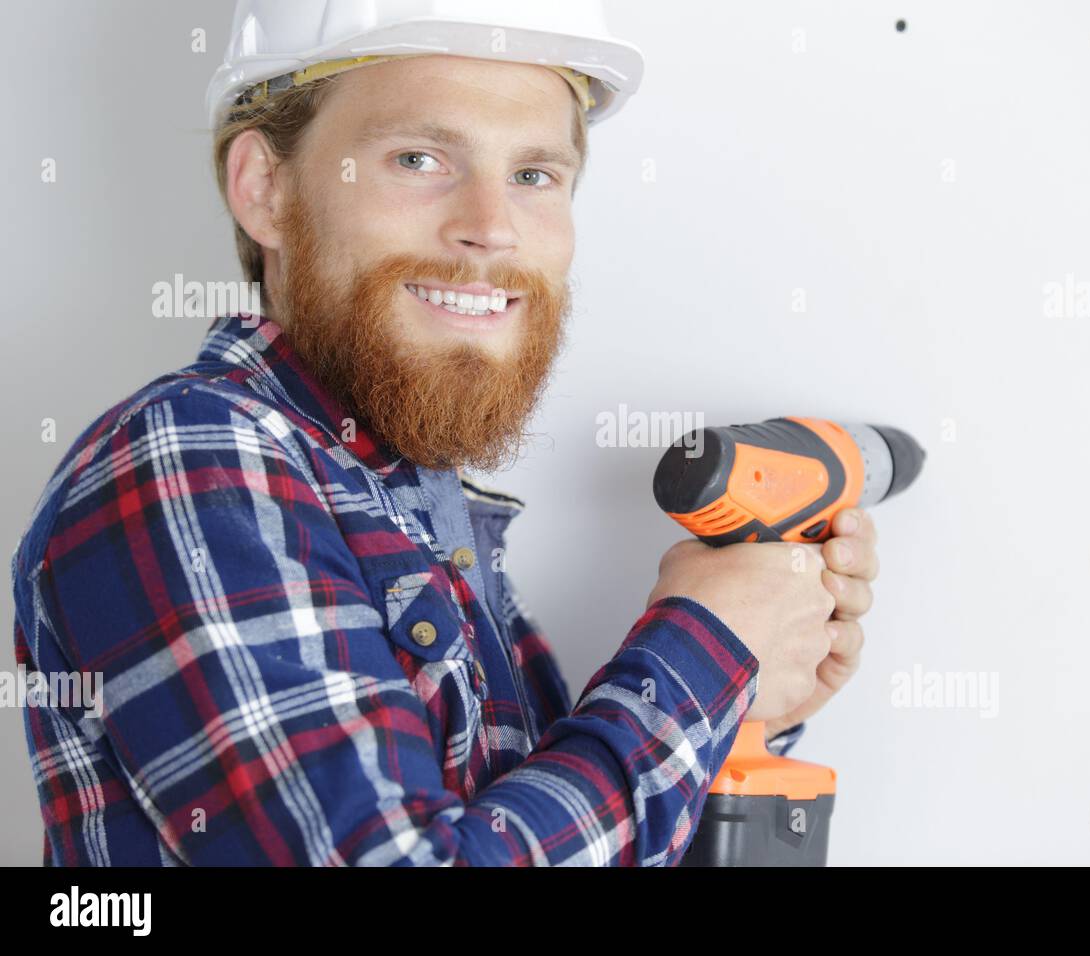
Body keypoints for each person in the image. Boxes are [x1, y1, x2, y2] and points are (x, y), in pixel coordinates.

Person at [11, 0, 879, 866]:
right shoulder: (190, 456)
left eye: (535, 175)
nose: (492, 229)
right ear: (264, 189)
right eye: (419, 158)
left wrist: (740, 706)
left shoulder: (420, 512)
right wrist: (704, 649)